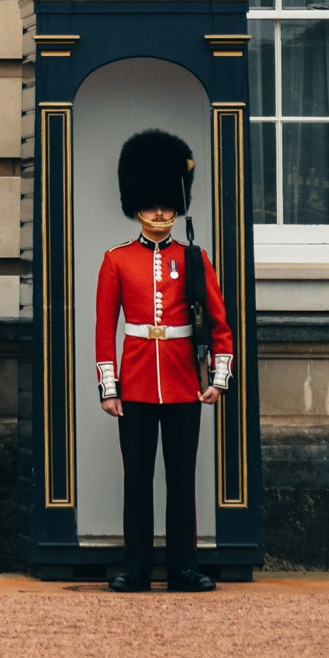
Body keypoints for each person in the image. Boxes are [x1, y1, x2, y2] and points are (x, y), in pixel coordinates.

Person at [94, 127, 233, 594]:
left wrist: (219, 378)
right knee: (137, 481)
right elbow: (103, 330)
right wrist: (109, 387)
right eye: (152, 203)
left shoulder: (195, 259)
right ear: (136, 205)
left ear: (177, 205)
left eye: (167, 203)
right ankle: (135, 568)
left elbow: (219, 324)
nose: (159, 211)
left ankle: (182, 568)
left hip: (182, 382)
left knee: (181, 480)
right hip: (134, 381)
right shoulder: (116, 260)